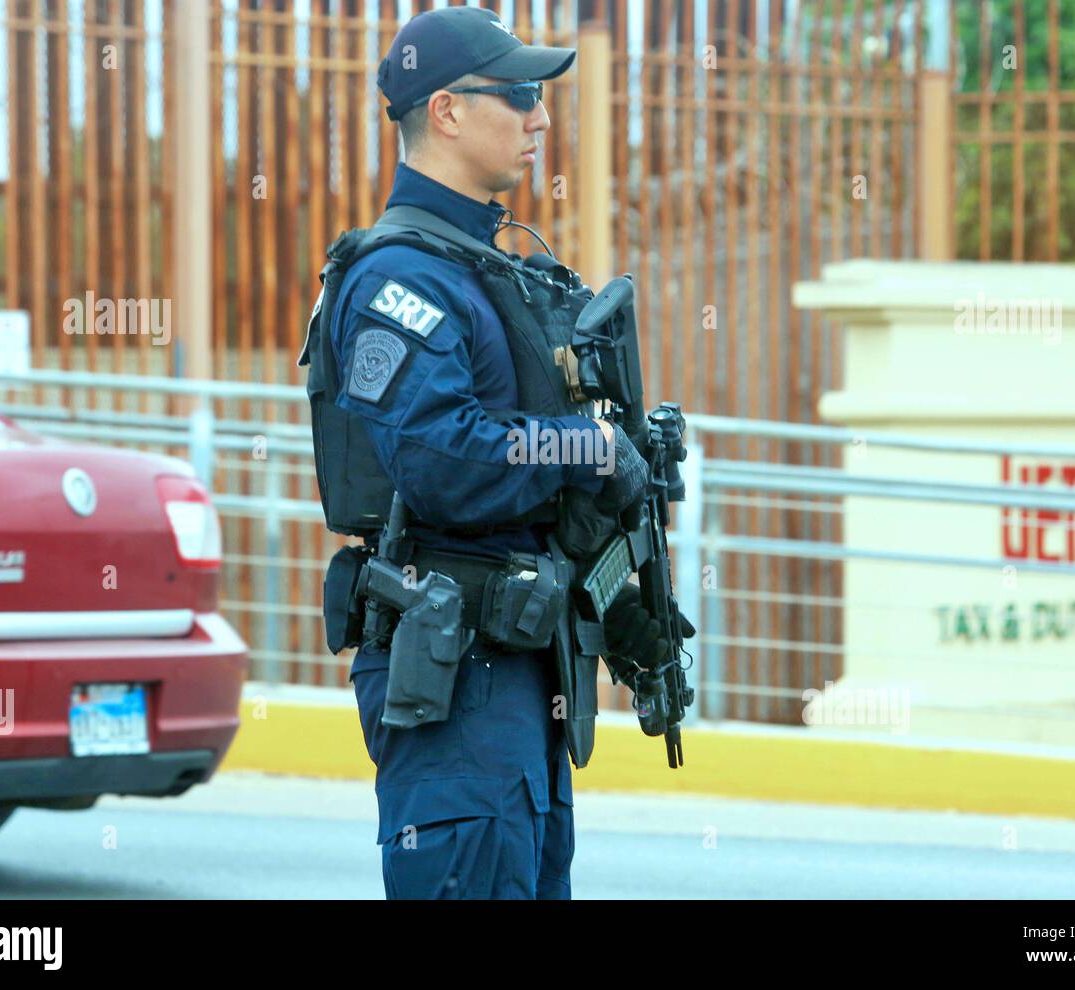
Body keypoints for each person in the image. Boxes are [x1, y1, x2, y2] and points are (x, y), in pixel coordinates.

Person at [302, 5, 690, 900]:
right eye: (517, 95)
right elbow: (441, 458)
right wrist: (587, 446)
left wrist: (620, 597)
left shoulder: (497, 269)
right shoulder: (402, 277)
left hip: (521, 677)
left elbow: (539, 482)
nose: (540, 117)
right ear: (444, 111)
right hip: (460, 685)